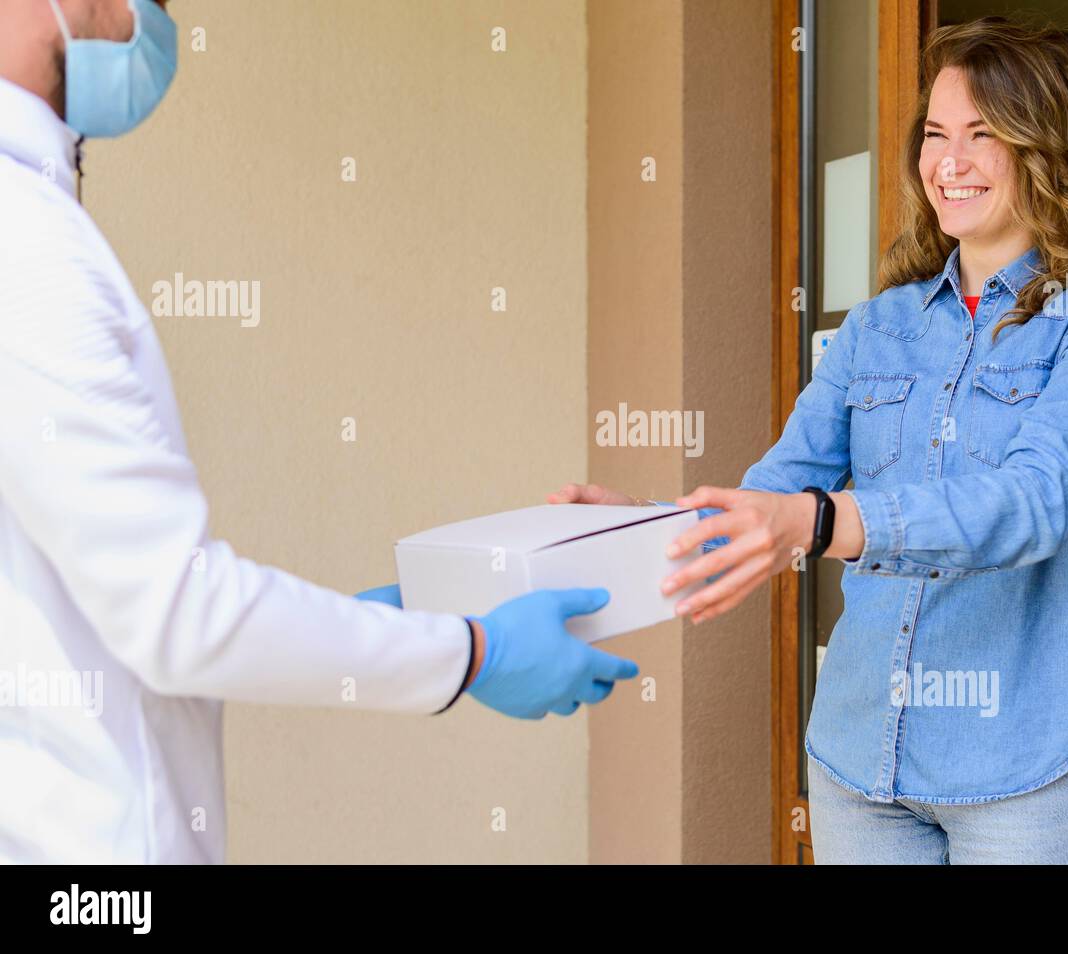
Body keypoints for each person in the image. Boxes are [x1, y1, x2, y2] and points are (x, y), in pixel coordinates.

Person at [0, 0, 636, 864]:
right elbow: (179, 614)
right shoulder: (30, 247)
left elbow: (121, 599)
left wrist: (362, 625)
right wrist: (471, 652)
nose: (146, 18)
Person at [551, 17, 1068, 863]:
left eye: (982, 135)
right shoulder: (879, 325)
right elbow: (779, 490)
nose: (948, 163)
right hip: (859, 766)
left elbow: (1032, 505)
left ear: (1047, 147)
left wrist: (821, 522)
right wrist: (644, 523)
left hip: (1024, 777)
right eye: (934, 135)